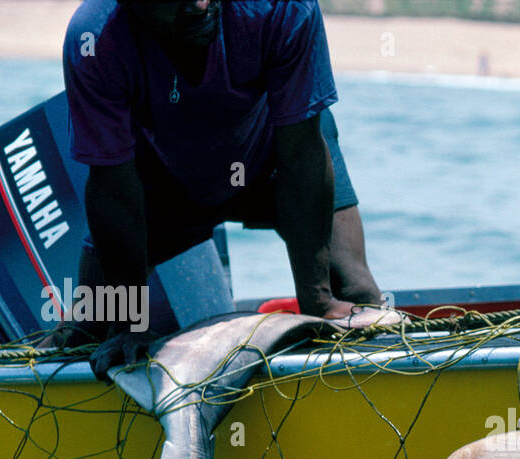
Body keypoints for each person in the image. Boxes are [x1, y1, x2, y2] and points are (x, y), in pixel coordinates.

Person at [54, 0, 383, 377]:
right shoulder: (95, 37)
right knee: (94, 330)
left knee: (358, 298)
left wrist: (319, 301)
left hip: (273, 164)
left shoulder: (282, 6)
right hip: (168, 189)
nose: (199, 3)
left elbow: (303, 155)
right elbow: (114, 187)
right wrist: (129, 326)